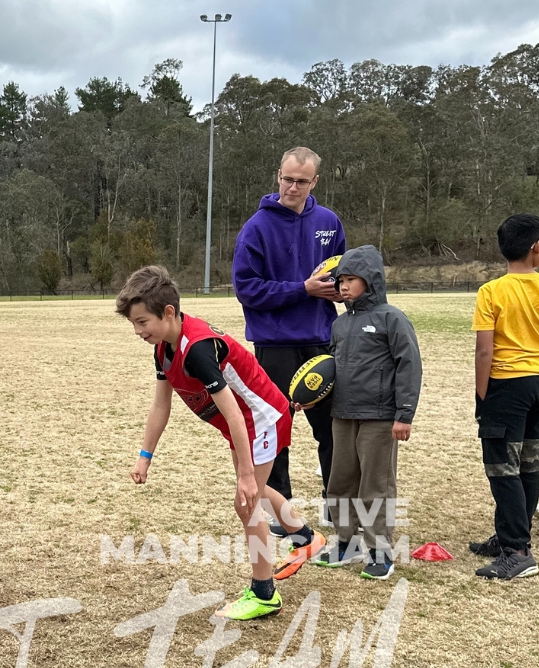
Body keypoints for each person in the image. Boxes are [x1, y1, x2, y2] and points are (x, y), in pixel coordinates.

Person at [118, 265, 325, 621]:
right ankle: (307, 539)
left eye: (142, 322)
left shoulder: (197, 350)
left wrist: (246, 473)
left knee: (246, 503)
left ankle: (264, 595)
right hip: (244, 423)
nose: (137, 331)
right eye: (134, 324)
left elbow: (233, 413)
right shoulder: (165, 349)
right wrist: (144, 457)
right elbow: (160, 405)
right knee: (254, 492)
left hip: (261, 419)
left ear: (168, 312)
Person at [232, 146, 346, 524]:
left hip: (321, 342)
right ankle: (281, 512)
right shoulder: (256, 228)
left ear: (314, 182)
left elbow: (346, 276)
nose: (292, 188)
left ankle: (336, 506)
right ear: (277, 176)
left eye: (301, 181)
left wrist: (344, 290)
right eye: (287, 179)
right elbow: (247, 289)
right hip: (275, 346)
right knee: (276, 432)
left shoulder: (329, 221)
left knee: (333, 429)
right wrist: (302, 289)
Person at [313, 246, 421, 580]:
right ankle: (346, 542)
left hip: (379, 417)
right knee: (340, 480)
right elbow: (330, 369)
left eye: (350, 280)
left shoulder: (392, 319)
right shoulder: (340, 324)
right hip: (342, 414)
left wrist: (404, 414)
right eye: (340, 280)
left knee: (376, 484)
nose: (343, 287)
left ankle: (380, 550)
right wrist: (312, 396)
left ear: (370, 280)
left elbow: (409, 366)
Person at [470, 213, 539, 579]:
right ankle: (510, 534)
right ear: (537, 248)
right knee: (529, 464)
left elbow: (484, 352)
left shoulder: (491, 292)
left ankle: (517, 550)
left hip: (508, 384)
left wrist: (481, 396)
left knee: (502, 468)